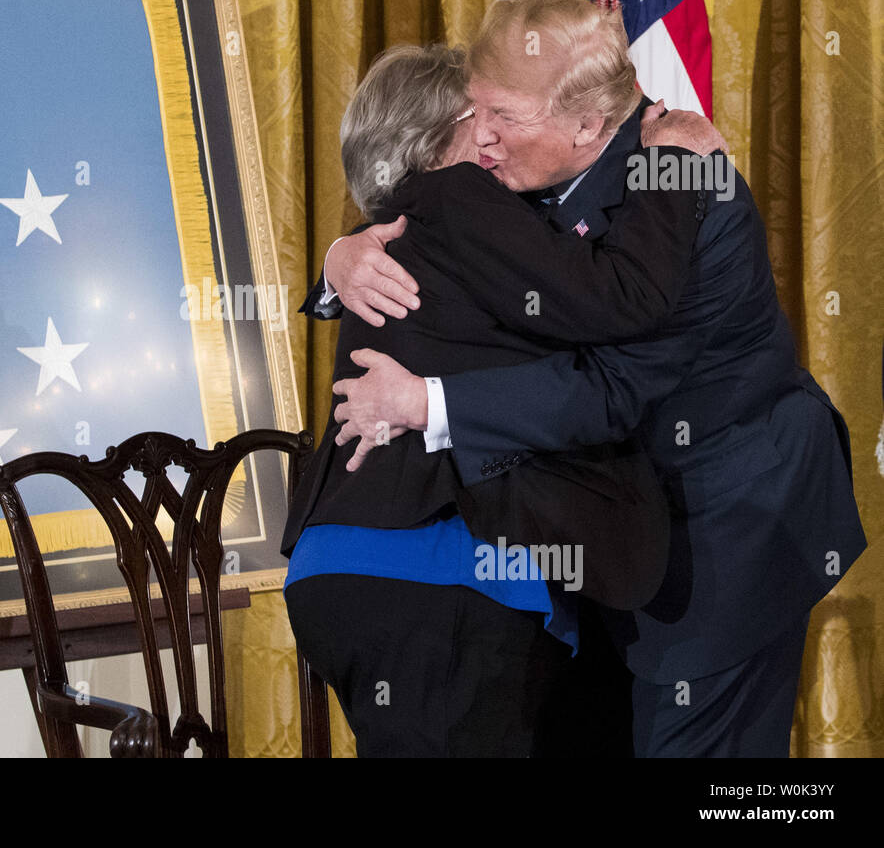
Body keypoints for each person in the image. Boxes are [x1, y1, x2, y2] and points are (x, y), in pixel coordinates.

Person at [320, 0, 867, 757]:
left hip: (723, 529)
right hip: (605, 544)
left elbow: (605, 389)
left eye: (503, 118)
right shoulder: (523, 178)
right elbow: (436, 221)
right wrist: (341, 260)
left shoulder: (686, 198)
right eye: (476, 112)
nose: (481, 139)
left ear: (585, 124)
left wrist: (425, 402)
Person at [283, 39, 721, 757]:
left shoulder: (395, 238)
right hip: (437, 571)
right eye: (480, 113)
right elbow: (620, 299)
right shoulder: (457, 196)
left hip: (349, 569)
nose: (496, 133)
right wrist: (673, 165)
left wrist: (336, 259)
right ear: (439, 135)